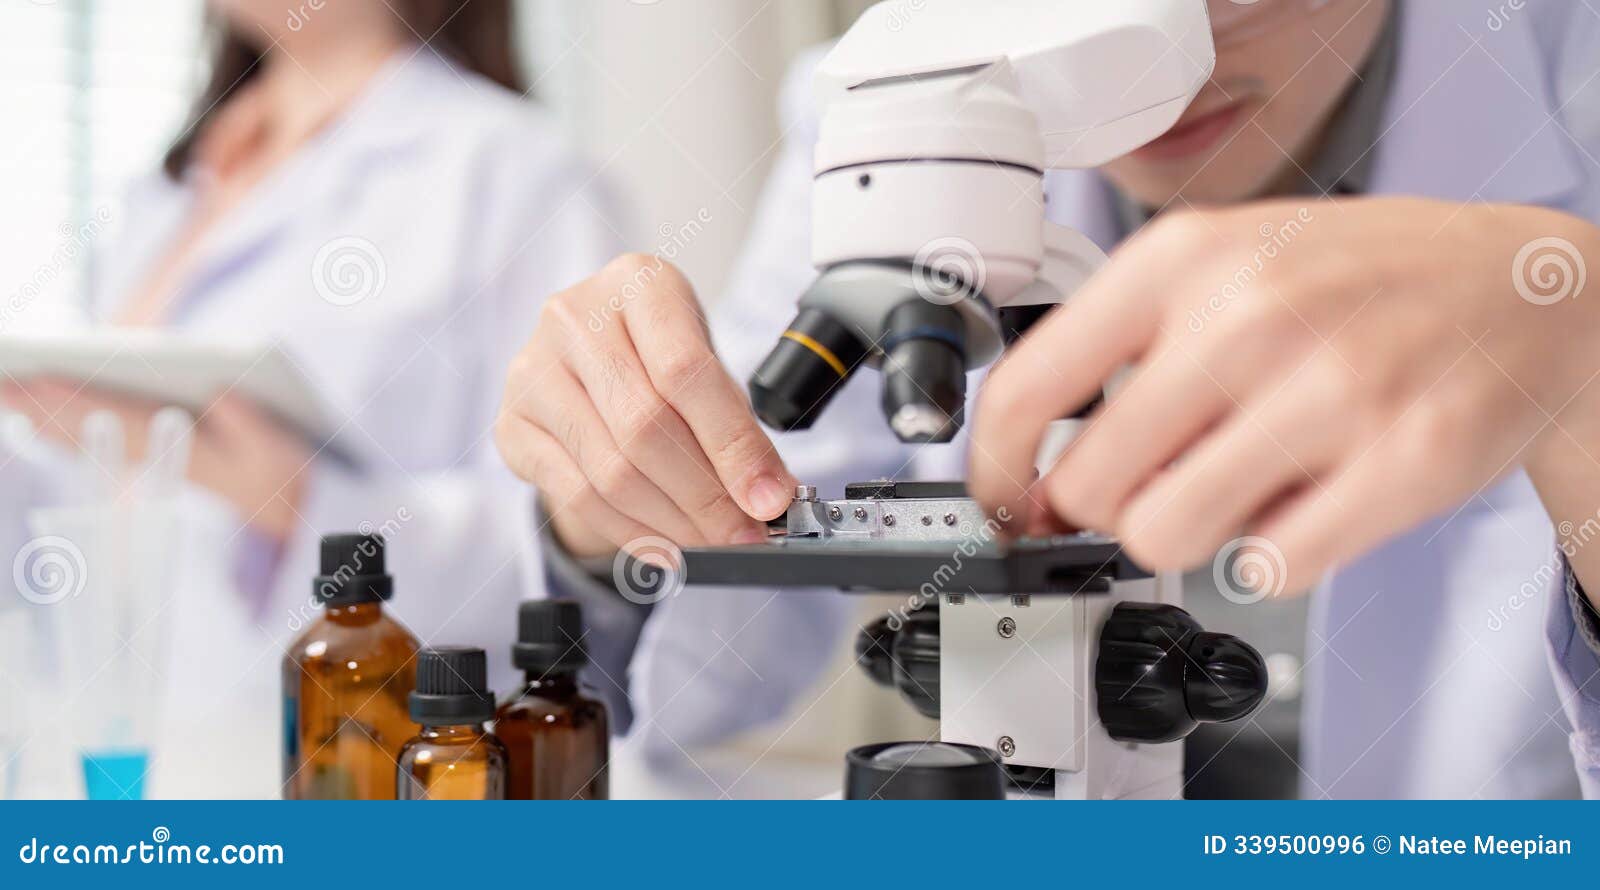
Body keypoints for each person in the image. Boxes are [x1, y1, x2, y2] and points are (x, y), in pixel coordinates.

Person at [495, 0, 1600, 798]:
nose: (1163, 44)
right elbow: (705, 671)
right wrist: (605, 508)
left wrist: (1578, 358)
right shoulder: (900, 98)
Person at [1, 0, 622, 794]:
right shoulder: (168, 189)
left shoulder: (514, 174)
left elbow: (573, 560)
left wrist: (291, 499)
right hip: (137, 766)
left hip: (371, 776)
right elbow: (77, 518)